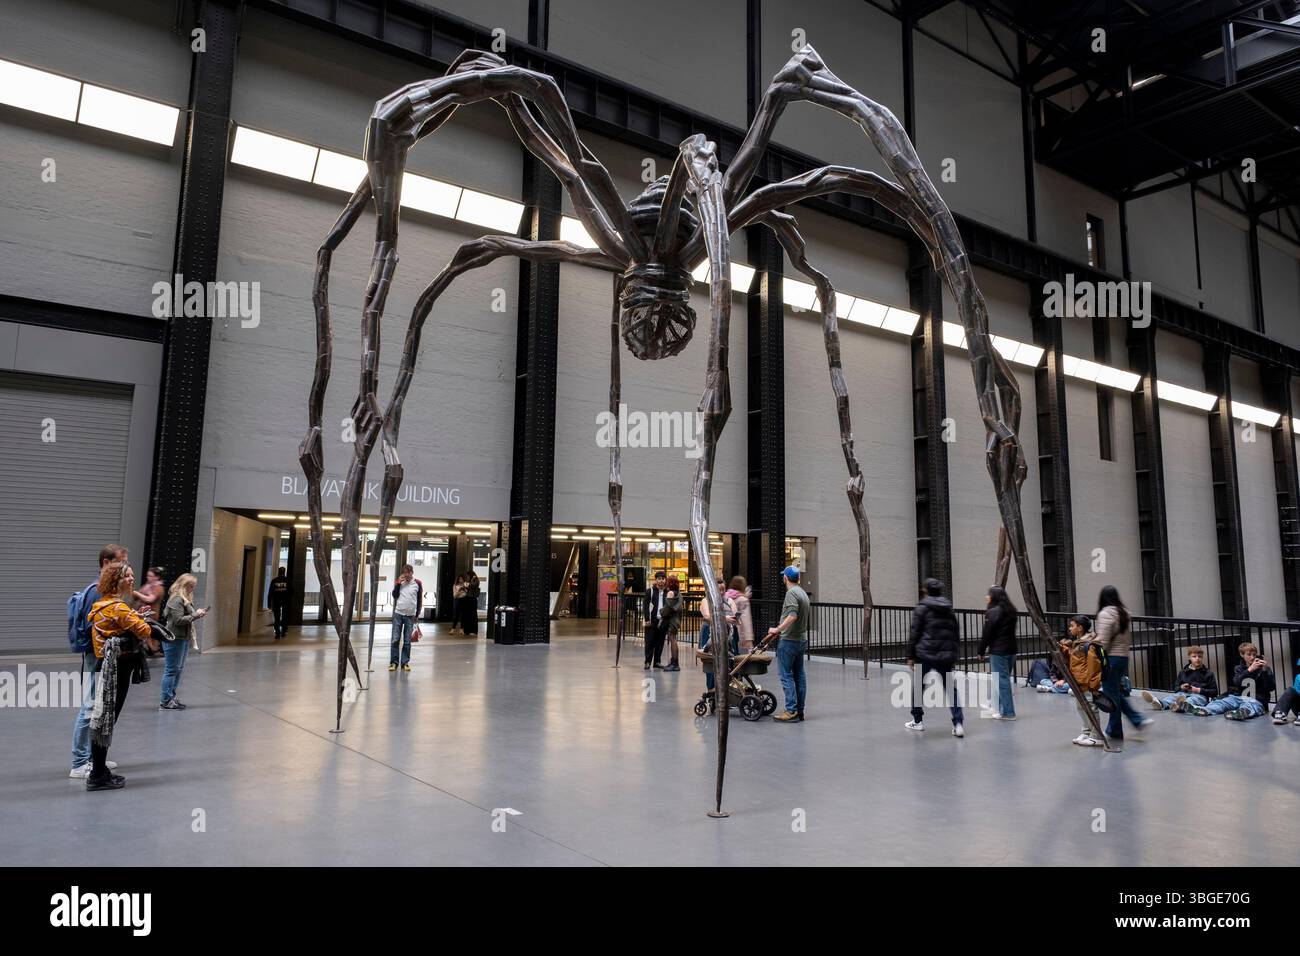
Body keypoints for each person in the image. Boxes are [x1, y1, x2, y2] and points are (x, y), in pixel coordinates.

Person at [86, 562, 159, 791]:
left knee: (104, 718)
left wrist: (134, 616)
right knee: (107, 720)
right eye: (127, 575)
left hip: (109, 666)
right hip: (118, 667)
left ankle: (99, 769)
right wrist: (141, 621)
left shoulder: (103, 604)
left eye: (132, 574)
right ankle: (97, 776)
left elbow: (119, 625)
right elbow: (144, 631)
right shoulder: (118, 607)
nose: (131, 578)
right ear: (115, 580)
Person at [69, 544, 127, 779]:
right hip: (97, 655)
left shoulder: (104, 590)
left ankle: (92, 757)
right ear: (106, 563)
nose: (125, 567)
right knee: (90, 707)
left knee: (97, 706)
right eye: (121, 562)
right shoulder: (97, 591)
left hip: (100, 654)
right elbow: (99, 627)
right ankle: (80, 761)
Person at [1094, 585, 1152, 747]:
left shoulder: (1105, 614)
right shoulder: (1124, 613)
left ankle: (1116, 729)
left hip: (1110, 659)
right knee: (1115, 693)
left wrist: (1097, 657)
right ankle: (1136, 721)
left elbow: (1103, 642)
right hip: (1123, 658)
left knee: (1111, 694)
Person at [904, 578, 963, 737]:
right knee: (951, 688)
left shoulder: (921, 608)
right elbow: (955, 632)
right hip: (946, 654)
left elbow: (915, 632)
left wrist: (911, 655)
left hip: (926, 653)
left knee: (918, 686)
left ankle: (917, 721)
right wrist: (954, 651)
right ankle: (958, 723)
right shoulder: (948, 608)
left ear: (926, 590)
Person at [1186, 643, 1274, 720]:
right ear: (1242, 654)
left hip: (1256, 699)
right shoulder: (1238, 668)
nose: (1252, 657)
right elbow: (1237, 682)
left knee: (1250, 706)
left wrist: (1265, 671)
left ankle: (1241, 713)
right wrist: (1249, 670)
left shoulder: (1264, 669)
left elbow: (1271, 687)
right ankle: (1205, 710)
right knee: (1222, 703)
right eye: (1249, 654)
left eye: (1254, 655)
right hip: (1238, 697)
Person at [767, 566, 810, 722]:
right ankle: (799, 710)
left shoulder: (791, 593)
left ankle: (790, 710)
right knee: (799, 675)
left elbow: (792, 615)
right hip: (801, 639)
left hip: (789, 640)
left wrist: (777, 629)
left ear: (785, 578)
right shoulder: (803, 593)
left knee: (786, 675)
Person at [160, 573, 205, 709]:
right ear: (185, 586)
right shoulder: (176, 600)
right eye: (192, 586)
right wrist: (195, 615)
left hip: (182, 638)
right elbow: (178, 620)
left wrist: (195, 614)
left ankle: (171, 697)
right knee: (171, 670)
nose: (193, 589)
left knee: (177, 670)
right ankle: (165, 700)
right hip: (174, 639)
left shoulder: (185, 598)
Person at [1061, 614, 1106, 747]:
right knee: (1081, 707)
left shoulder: (1088, 644)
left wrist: (1093, 683)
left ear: (1080, 628)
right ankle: (1087, 732)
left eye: (1072, 626)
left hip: (1086, 682)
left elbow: (1094, 665)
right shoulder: (1079, 642)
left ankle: (1097, 735)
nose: (1070, 628)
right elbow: (1076, 659)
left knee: (1090, 707)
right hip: (1079, 681)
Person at [977, 585, 1018, 719]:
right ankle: (995, 706)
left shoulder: (993, 612)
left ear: (993, 596)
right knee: (1001, 680)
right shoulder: (1011, 610)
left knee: (1001, 681)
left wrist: (981, 651)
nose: (986, 597)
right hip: (1011, 649)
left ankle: (1008, 712)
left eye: (988, 594)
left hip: (998, 651)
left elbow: (987, 633)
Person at [1139, 646, 1219, 712]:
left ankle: (1180, 706)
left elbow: (1214, 692)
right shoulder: (1183, 672)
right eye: (1194, 656)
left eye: (1199, 657)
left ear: (1202, 657)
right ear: (1189, 658)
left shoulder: (1208, 673)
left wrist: (1198, 690)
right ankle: (1159, 703)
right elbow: (1176, 688)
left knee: (1192, 700)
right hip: (1183, 694)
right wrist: (1181, 687)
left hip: (1200, 696)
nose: (1197, 658)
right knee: (1172, 697)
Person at [390, 564, 423, 672]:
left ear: (412, 572)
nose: (406, 575)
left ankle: (405, 663)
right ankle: (394, 663)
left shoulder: (417, 583)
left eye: (408, 572)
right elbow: (394, 595)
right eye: (405, 572)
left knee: (407, 641)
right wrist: (398, 584)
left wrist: (417, 615)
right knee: (395, 639)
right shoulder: (400, 582)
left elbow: (419, 600)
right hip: (398, 614)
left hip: (410, 616)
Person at [643, 570, 668, 669]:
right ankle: (647, 662)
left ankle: (657, 662)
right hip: (652, 621)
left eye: (663, 579)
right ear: (656, 580)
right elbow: (645, 605)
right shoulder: (650, 591)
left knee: (660, 642)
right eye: (659, 579)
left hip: (663, 621)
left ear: (665, 580)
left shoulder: (667, 592)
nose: (661, 581)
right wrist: (647, 619)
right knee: (649, 642)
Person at [661, 574, 682, 671]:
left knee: (673, 640)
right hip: (677, 619)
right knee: (674, 640)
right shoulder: (679, 593)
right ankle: (674, 662)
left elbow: (667, 608)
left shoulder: (670, 593)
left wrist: (661, 612)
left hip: (671, 620)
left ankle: (675, 663)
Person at [728, 576, 754, 652]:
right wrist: (748, 638)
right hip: (739, 632)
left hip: (727, 630)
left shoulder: (727, 596)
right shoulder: (743, 600)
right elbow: (746, 620)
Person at [1272, 657, 1300, 725]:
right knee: (1290, 690)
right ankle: (1280, 713)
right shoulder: (1298, 677)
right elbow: (1295, 693)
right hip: (1298, 709)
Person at [268, 566, 290, 638]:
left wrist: (269, 603)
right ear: (284, 572)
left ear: (278, 572)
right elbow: (292, 591)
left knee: (277, 617)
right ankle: (283, 632)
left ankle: (277, 633)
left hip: (276, 601)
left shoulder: (274, 581)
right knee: (284, 617)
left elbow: (270, 593)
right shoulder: (288, 580)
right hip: (285, 601)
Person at [462, 570, 480, 637]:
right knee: (467, 615)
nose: (467, 577)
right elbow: (469, 588)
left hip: (472, 599)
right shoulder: (470, 581)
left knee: (473, 615)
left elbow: (473, 586)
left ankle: (474, 630)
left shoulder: (475, 580)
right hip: (468, 598)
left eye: (468, 576)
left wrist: (472, 579)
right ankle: (467, 630)